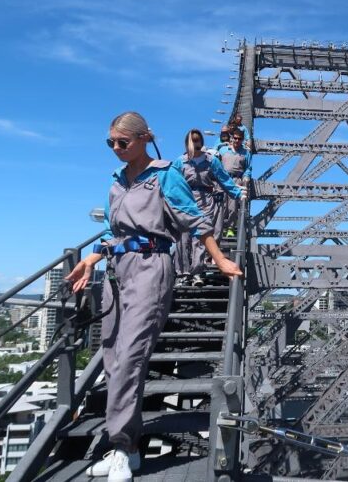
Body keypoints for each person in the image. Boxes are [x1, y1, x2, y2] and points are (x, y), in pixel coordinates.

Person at [65, 112, 242, 481]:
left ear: (144, 138)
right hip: (117, 271)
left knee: (130, 358)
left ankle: (123, 447)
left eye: (122, 142)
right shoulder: (116, 183)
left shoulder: (165, 175)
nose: (115, 149)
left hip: (152, 267)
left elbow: (194, 219)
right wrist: (91, 260)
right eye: (110, 143)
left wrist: (221, 257)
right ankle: (126, 449)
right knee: (113, 359)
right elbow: (113, 231)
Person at [172, 128, 244, 281]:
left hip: (205, 199)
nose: (195, 142)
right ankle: (183, 272)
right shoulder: (180, 162)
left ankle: (197, 270)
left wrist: (238, 194)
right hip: (185, 201)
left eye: (197, 139)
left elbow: (224, 180)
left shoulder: (211, 161)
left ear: (201, 142)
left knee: (201, 236)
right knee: (183, 238)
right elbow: (172, 185)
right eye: (192, 140)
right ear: (186, 143)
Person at [217, 128, 251, 237]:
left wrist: (246, 177)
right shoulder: (223, 150)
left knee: (232, 207)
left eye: (239, 139)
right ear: (232, 138)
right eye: (235, 138)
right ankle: (220, 228)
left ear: (242, 140)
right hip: (223, 180)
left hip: (236, 180)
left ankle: (230, 228)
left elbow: (248, 168)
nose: (236, 140)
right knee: (222, 206)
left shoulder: (246, 153)